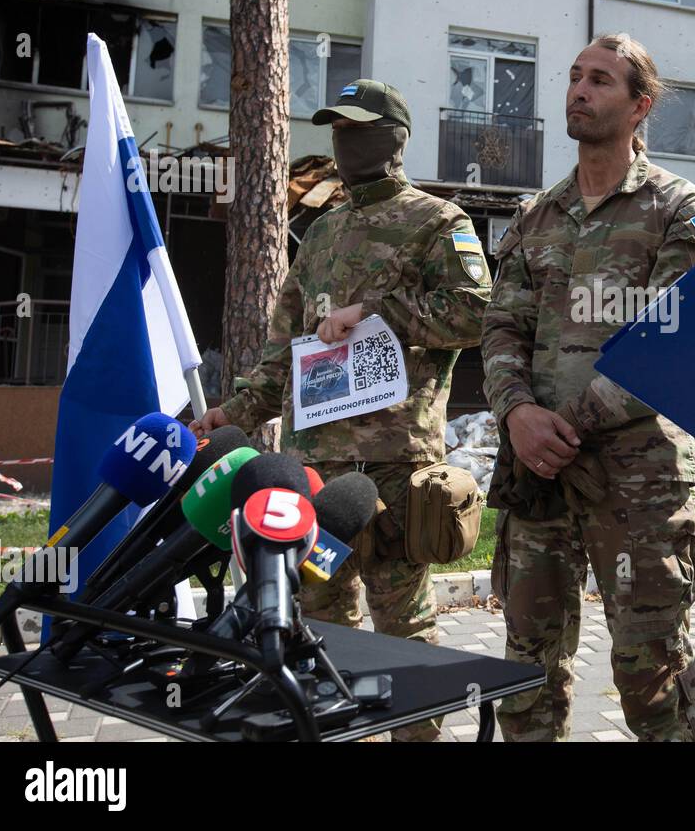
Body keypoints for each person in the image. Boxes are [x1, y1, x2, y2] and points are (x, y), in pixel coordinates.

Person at [191, 79, 491, 741]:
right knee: (322, 627)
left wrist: (381, 312)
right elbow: (285, 351)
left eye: (361, 127)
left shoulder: (438, 222)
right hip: (317, 479)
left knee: (402, 626)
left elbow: (477, 311)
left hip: (390, 471)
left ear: (396, 139)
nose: (346, 140)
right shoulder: (321, 233)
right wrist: (234, 409)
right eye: (337, 128)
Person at [482, 34, 695, 741]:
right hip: (538, 478)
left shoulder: (677, 208)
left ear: (639, 105)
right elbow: (501, 330)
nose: (579, 91)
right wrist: (520, 414)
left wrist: (567, 425)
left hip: (636, 484)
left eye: (601, 81)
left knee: (651, 674)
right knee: (526, 674)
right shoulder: (536, 217)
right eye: (575, 77)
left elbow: (676, 344)